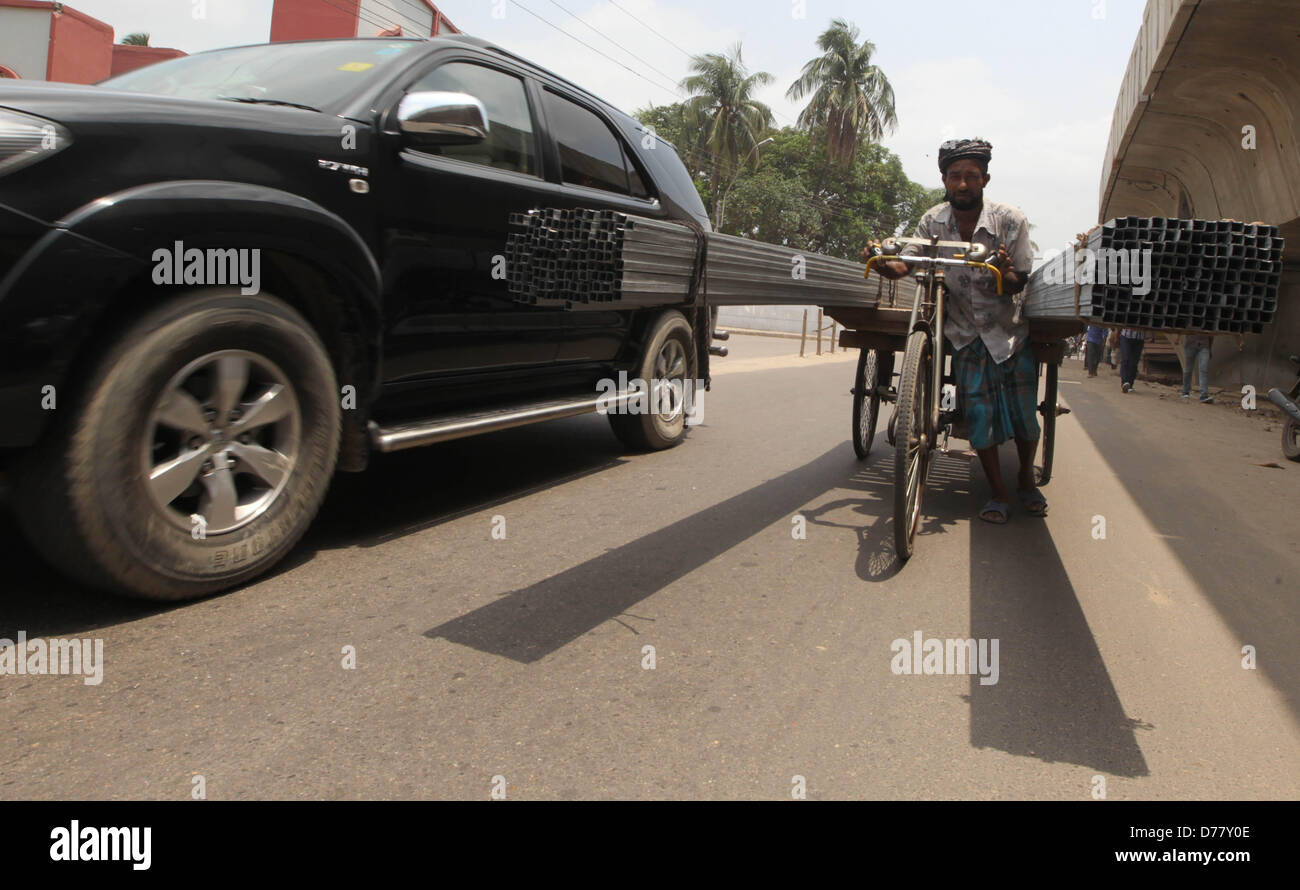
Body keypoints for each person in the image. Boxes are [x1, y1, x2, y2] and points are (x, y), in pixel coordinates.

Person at [866, 138, 1042, 525]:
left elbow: (1017, 282)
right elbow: (904, 267)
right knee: (980, 418)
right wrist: (881, 263)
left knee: (1026, 417)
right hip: (964, 335)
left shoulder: (1009, 220)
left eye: (971, 177)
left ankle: (1026, 478)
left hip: (1008, 332)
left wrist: (1005, 269)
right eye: (955, 176)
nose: (963, 184)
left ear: (985, 179)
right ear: (944, 179)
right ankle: (998, 493)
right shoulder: (932, 222)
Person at [1175, 332, 1214, 402]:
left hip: (1204, 346)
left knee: (1203, 369)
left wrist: (1210, 348)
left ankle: (1204, 395)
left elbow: (1212, 335)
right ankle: (1185, 392)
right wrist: (1178, 338)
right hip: (1190, 345)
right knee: (1188, 369)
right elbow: (1182, 327)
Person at [1118, 328, 1150, 392]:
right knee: (1125, 359)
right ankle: (1124, 382)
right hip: (1126, 336)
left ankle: (1130, 384)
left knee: (1134, 363)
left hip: (1139, 338)